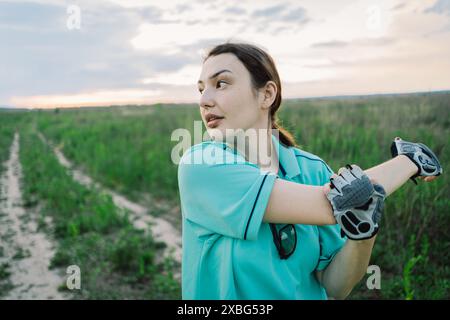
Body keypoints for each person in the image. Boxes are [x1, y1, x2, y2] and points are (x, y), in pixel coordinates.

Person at [177, 42, 442, 299]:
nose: (204, 100)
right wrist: (409, 161)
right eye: (201, 89)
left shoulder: (311, 169)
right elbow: (337, 202)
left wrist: (362, 234)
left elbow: (335, 286)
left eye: (220, 83)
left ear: (267, 94)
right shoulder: (201, 166)